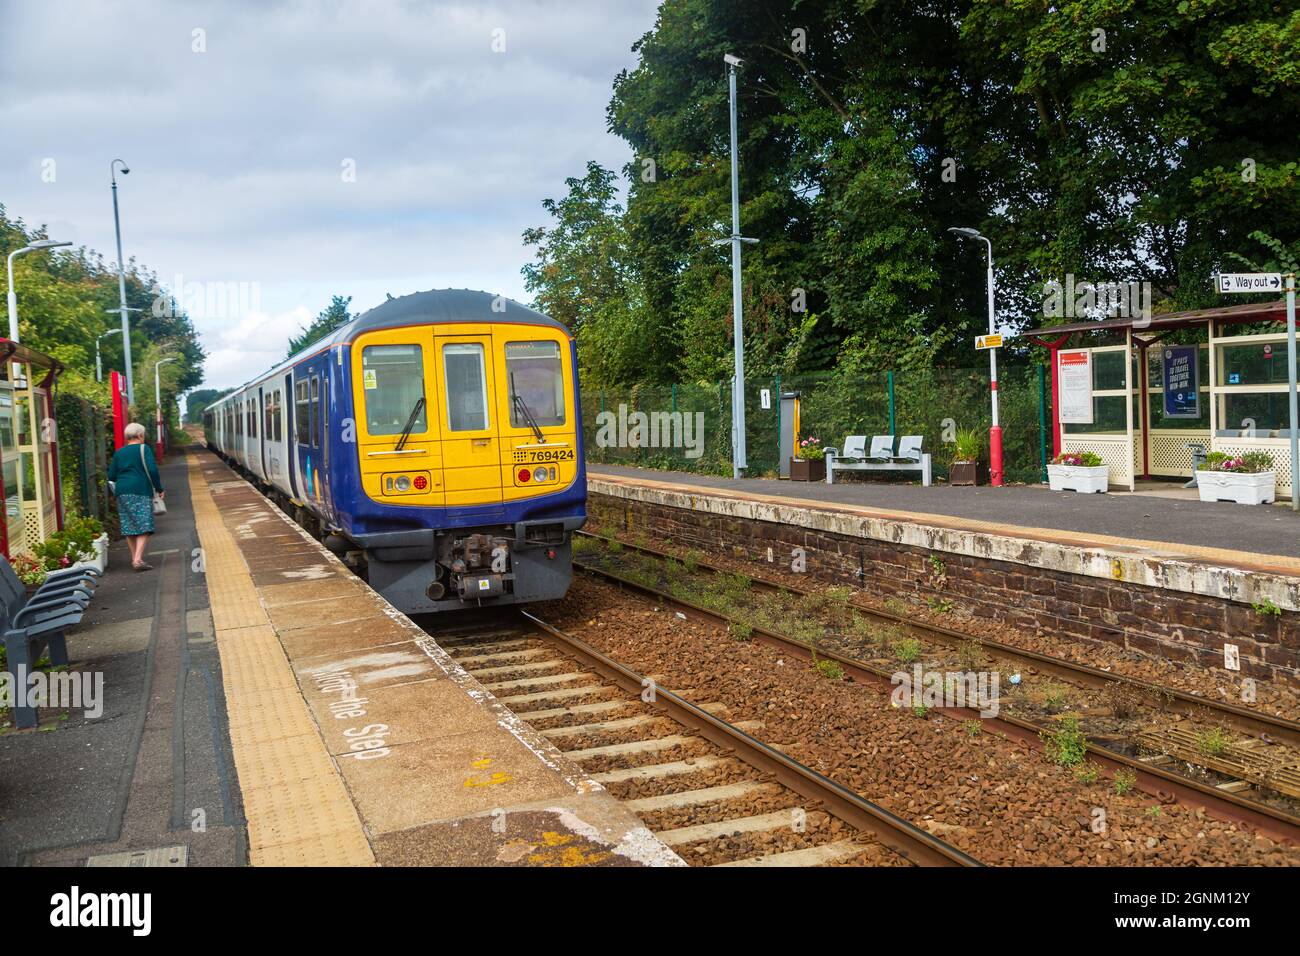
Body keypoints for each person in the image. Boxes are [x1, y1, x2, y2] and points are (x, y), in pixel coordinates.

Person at [107, 422, 165, 571]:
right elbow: (152, 470)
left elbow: (111, 476)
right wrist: (159, 488)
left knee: (129, 526)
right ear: (140, 435)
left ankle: (135, 558)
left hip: (122, 492)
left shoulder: (119, 453)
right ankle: (138, 560)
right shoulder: (143, 448)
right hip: (140, 490)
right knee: (145, 525)